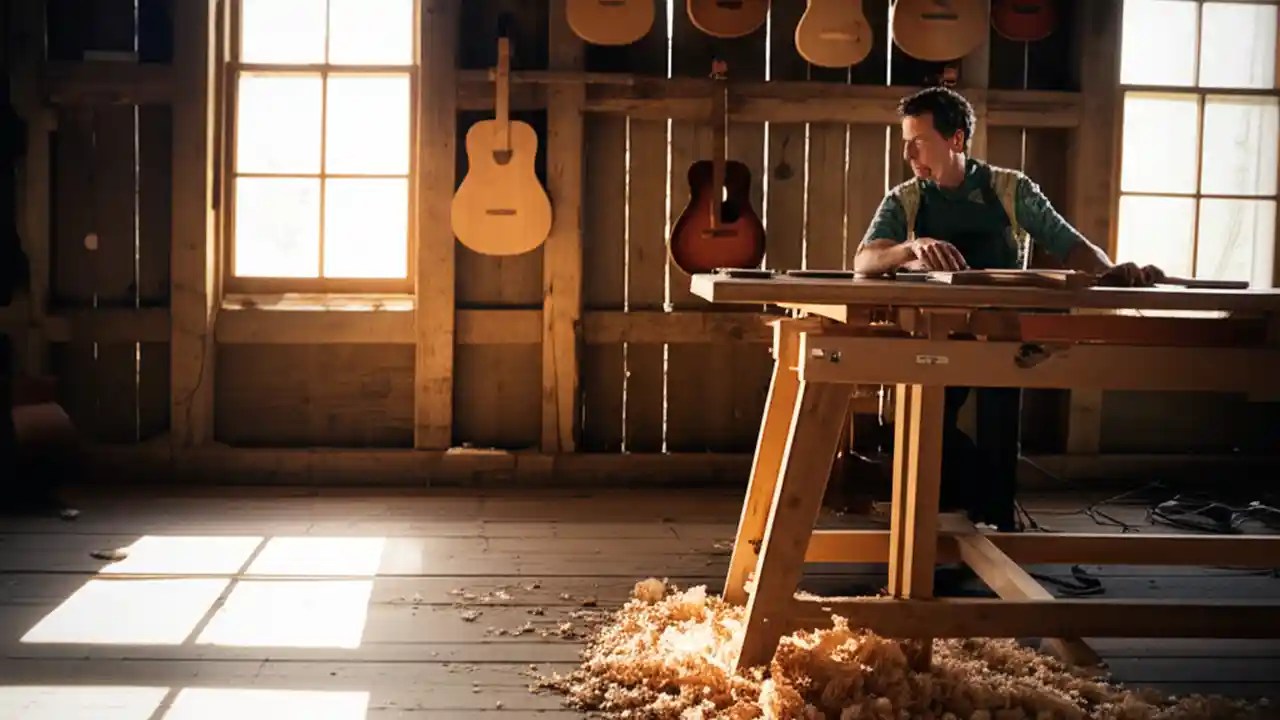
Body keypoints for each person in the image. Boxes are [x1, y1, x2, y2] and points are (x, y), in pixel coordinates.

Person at [853, 86, 1165, 531]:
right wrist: (909, 247)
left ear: (956, 140)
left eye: (918, 141)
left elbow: (1070, 245)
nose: (908, 153)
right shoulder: (907, 197)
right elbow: (864, 261)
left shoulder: (1009, 188)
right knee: (931, 425)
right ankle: (944, 527)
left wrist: (1111, 272)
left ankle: (998, 528)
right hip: (937, 332)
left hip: (1003, 330)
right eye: (905, 141)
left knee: (999, 431)